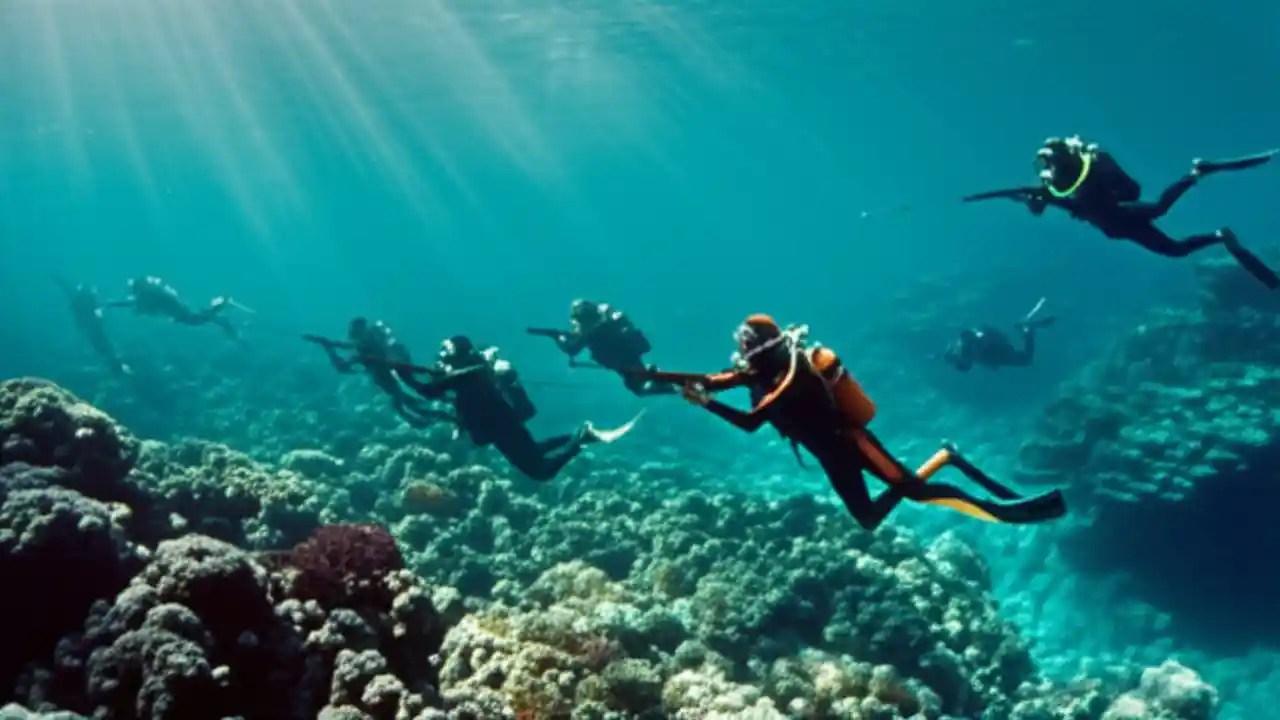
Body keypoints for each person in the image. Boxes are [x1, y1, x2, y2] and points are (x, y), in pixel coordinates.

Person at [663, 314, 1065, 530]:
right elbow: (716, 379)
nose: (740, 352)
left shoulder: (791, 373)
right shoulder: (761, 373)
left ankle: (986, 497)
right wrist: (656, 377)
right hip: (831, 456)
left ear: (761, 347)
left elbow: (751, 422)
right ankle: (942, 458)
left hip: (852, 442)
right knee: (869, 518)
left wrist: (705, 403)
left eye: (745, 345)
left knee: (916, 492)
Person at [964, 136, 1280, 289]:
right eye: (1043, 167)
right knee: (1174, 250)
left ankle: (1197, 172)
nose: (1045, 171)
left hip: (1121, 215)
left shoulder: (1089, 168)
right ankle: (1218, 235)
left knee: (1159, 209)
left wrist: (1034, 194)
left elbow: (1127, 187)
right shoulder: (1053, 186)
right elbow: (1038, 207)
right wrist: (1023, 198)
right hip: (1118, 227)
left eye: (1048, 165)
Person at [407, 335, 640, 481]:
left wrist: (398, 370)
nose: (442, 357)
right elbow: (440, 391)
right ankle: (578, 435)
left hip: (502, 429)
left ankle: (581, 440)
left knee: (541, 472)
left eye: (446, 353)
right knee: (536, 452)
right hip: (505, 426)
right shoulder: (473, 372)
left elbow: (426, 391)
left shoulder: (468, 374)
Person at [304, 318, 453, 428]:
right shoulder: (368, 342)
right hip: (387, 374)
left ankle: (446, 415)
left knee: (408, 401)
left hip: (388, 375)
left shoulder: (366, 341)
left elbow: (344, 347)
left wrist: (323, 342)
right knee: (406, 401)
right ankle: (443, 414)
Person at [529, 299, 677, 396]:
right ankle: (656, 375)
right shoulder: (605, 324)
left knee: (640, 389)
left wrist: (557, 337)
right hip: (630, 354)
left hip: (621, 361)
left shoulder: (591, 332)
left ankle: (672, 387)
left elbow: (572, 349)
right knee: (639, 374)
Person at [105, 276, 247, 340]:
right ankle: (222, 318)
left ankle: (223, 304)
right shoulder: (151, 293)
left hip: (180, 313)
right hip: (180, 311)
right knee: (200, 318)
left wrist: (112, 304)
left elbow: (138, 306)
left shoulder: (147, 295)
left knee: (198, 320)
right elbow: (138, 305)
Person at [944, 297, 1055, 373]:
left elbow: (976, 336)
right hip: (992, 350)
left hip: (992, 347)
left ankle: (1027, 328)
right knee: (1025, 359)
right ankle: (1026, 328)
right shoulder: (964, 353)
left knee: (1026, 359)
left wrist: (983, 343)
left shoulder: (964, 349)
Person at [54, 277, 131, 376]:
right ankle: (117, 367)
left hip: (92, 329)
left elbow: (68, 290)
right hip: (94, 329)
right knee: (106, 348)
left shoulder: (80, 298)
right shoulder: (87, 300)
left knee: (105, 348)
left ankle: (116, 366)